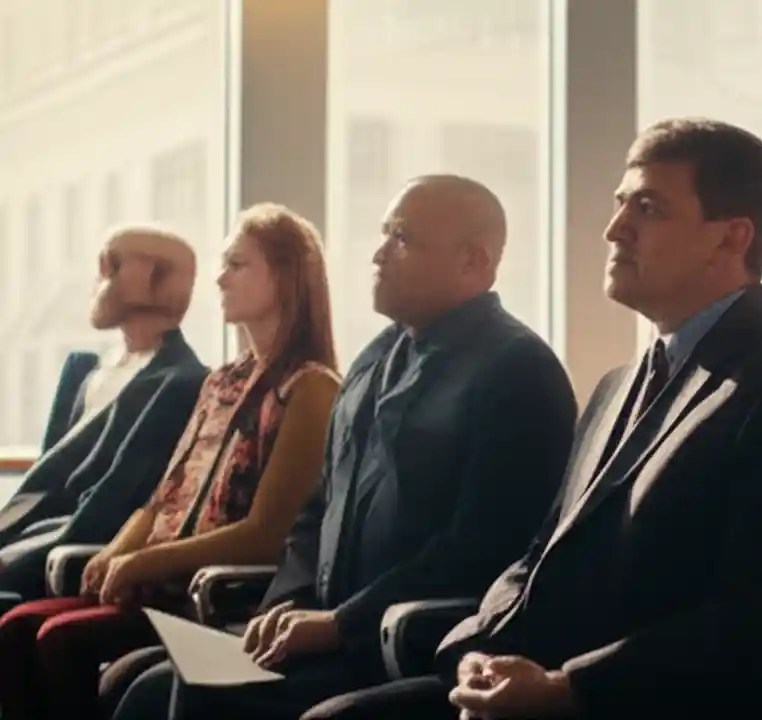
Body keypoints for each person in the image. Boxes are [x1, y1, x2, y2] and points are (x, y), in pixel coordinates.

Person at [299, 118, 762, 720]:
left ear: (730, 239)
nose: (614, 229)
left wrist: (568, 689)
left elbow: (760, 628)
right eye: (622, 204)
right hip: (545, 683)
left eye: (648, 208)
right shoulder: (615, 388)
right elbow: (538, 557)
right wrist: (478, 649)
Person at [109, 175, 578, 720]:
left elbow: (482, 551)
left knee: (203, 692)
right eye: (383, 234)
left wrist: (341, 623)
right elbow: (315, 512)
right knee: (141, 685)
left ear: (473, 262)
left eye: (401, 239)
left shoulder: (518, 370)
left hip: (406, 644)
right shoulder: (375, 357)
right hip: (323, 628)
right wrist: (289, 603)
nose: (378, 254)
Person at [0, 203, 341, 720]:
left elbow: (267, 533)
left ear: (286, 276)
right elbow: (164, 496)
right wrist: (117, 552)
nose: (220, 277)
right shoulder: (220, 381)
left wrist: (144, 562)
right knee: (19, 625)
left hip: (212, 598)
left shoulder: (311, 388)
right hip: (158, 584)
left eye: (237, 264)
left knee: (60, 638)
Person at [0, 228, 207, 603]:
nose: (98, 281)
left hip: (66, 556)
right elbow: (43, 485)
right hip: (24, 539)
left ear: (151, 277)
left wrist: (14, 558)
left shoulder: (182, 382)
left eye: (111, 266)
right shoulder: (84, 370)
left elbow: (113, 502)